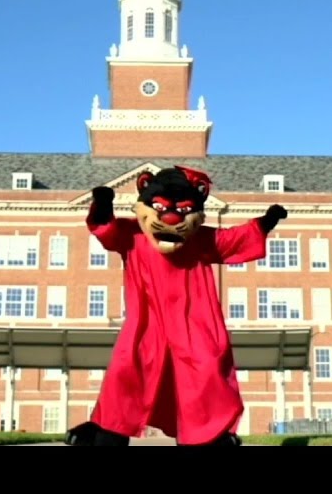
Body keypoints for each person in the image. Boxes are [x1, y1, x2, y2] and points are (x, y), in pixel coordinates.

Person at [65, 166, 287, 446]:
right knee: (128, 372)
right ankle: (107, 431)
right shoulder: (132, 235)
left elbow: (233, 240)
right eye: (159, 207)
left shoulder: (200, 239)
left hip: (194, 324)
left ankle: (209, 435)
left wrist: (266, 222)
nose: (170, 217)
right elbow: (106, 230)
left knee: (205, 371)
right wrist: (103, 205)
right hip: (147, 322)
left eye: (182, 210)